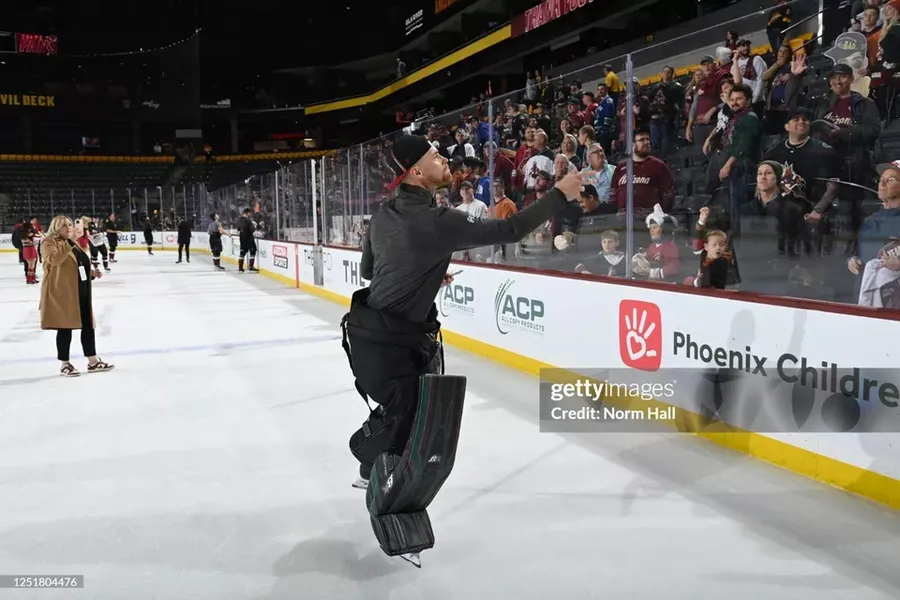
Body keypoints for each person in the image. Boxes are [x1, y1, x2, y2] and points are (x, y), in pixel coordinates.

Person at [341, 135, 584, 566]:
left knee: (409, 416)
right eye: (435, 157)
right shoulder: (437, 221)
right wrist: (560, 196)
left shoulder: (383, 215)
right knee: (412, 424)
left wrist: (424, 270)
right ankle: (378, 483)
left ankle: (368, 462)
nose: (444, 160)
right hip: (392, 346)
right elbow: (510, 229)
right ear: (416, 171)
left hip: (371, 339)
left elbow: (368, 270)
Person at [40, 215, 114, 377]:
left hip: (80, 290)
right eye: (64, 226)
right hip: (62, 293)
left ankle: (93, 361)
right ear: (55, 227)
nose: (68, 228)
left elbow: (78, 264)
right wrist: (71, 241)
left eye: (69, 225)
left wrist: (91, 272)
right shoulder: (48, 242)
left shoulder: (72, 244)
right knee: (65, 327)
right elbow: (54, 259)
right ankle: (65, 364)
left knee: (88, 325)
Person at [236, 208, 259, 273]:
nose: (250, 214)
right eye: (250, 213)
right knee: (253, 251)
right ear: (248, 213)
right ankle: (251, 267)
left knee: (242, 253)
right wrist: (255, 225)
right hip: (249, 239)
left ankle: (240, 268)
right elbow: (252, 230)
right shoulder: (248, 220)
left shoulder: (239, 220)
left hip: (242, 239)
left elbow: (238, 229)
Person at [20, 219, 39, 284]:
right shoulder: (29, 234)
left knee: (30, 264)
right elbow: (37, 235)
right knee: (31, 264)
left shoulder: (23, 234)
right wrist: (35, 229)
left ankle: (31, 278)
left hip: (26, 249)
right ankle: (30, 278)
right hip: (30, 248)